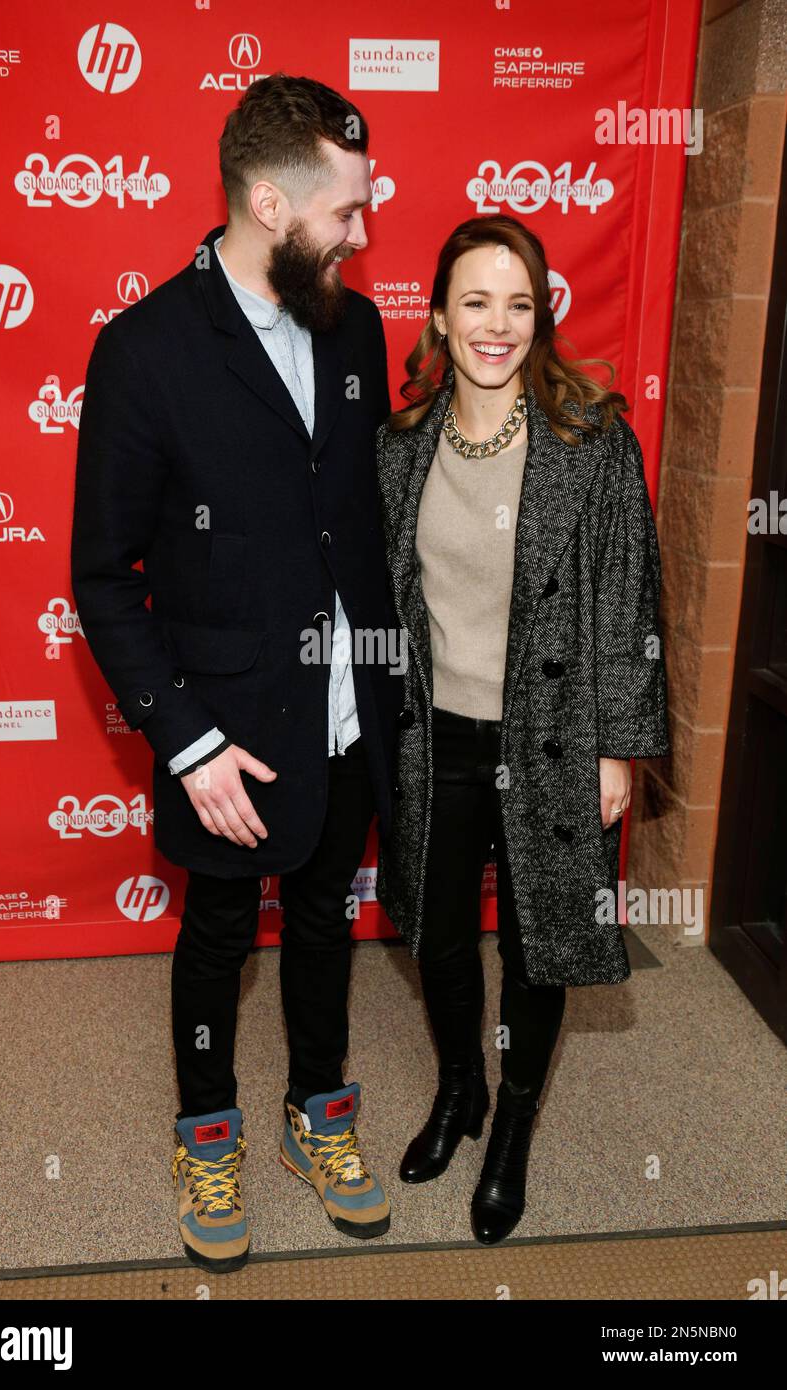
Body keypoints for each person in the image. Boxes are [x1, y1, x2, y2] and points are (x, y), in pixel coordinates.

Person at [71, 73, 404, 1275]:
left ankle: (319, 1113)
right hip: (224, 724)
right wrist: (189, 740)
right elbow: (102, 577)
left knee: (323, 914)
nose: (364, 233)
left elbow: (360, 525)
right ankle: (205, 1131)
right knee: (219, 929)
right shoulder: (146, 352)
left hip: (347, 703)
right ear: (269, 201)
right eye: (347, 211)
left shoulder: (357, 326)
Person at [375, 213, 670, 1244]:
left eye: (516, 301)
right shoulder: (400, 446)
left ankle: (510, 1131)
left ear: (541, 312)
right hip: (434, 734)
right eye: (474, 301)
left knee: (538, 941)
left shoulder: (590, 439)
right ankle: (459, 1088)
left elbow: (629, 599)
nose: (496, 324)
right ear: (439, 317)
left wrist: (618, 747)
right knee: (438, 933)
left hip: (549, 733)